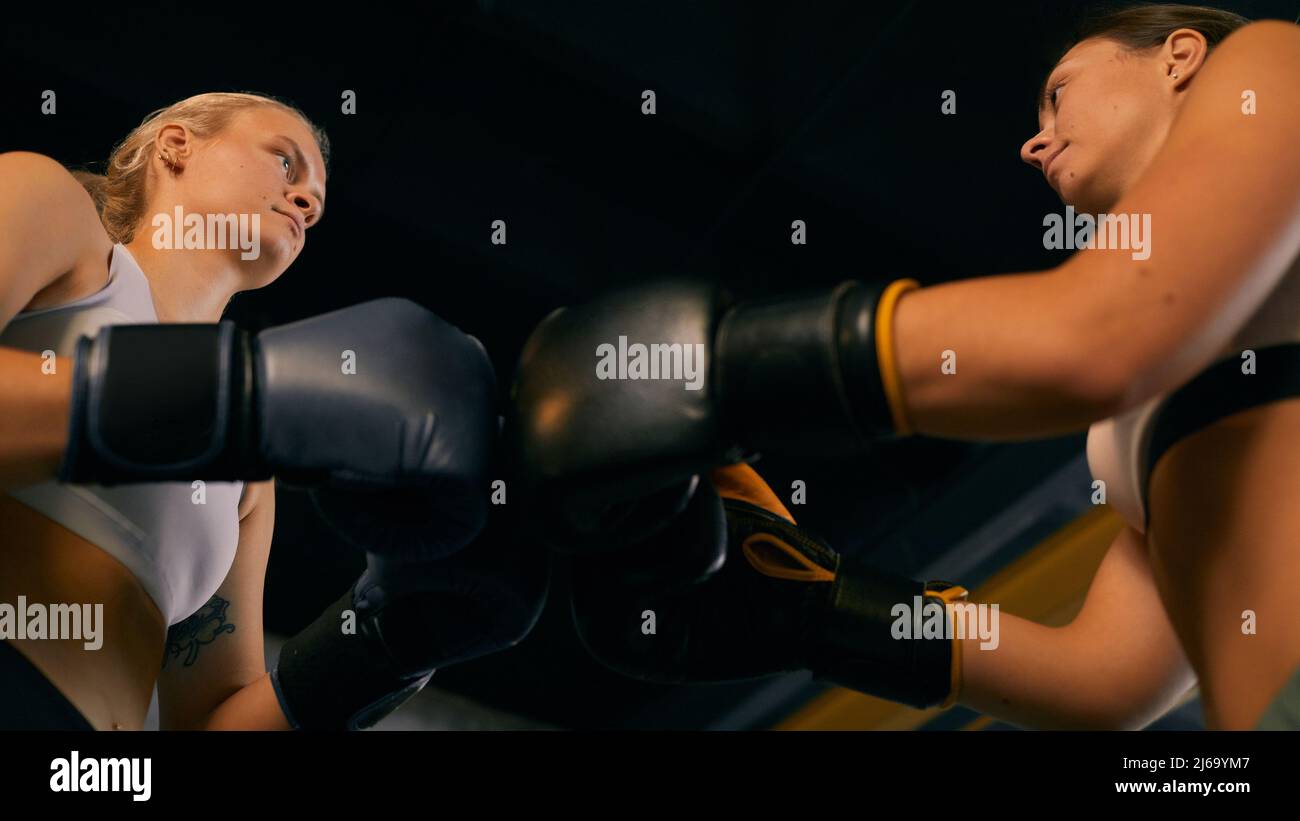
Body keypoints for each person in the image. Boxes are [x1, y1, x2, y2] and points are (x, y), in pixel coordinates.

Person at [511, 5, 1300, 730]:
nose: (1034, 141)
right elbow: (1107, 683)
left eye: (1059, 94)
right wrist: (825, 612)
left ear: (1181, 56)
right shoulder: (1139, 422)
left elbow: (1091, 337)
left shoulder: (1271, 64)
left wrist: (726, 369)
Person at [0, 92, 543, 731]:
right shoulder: (49, 205)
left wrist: (385, 643)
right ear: (175, 146)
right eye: (286, 163)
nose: (308, 201)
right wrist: (239, 399)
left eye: (317, 199)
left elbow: (207, 720)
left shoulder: (248, 472)